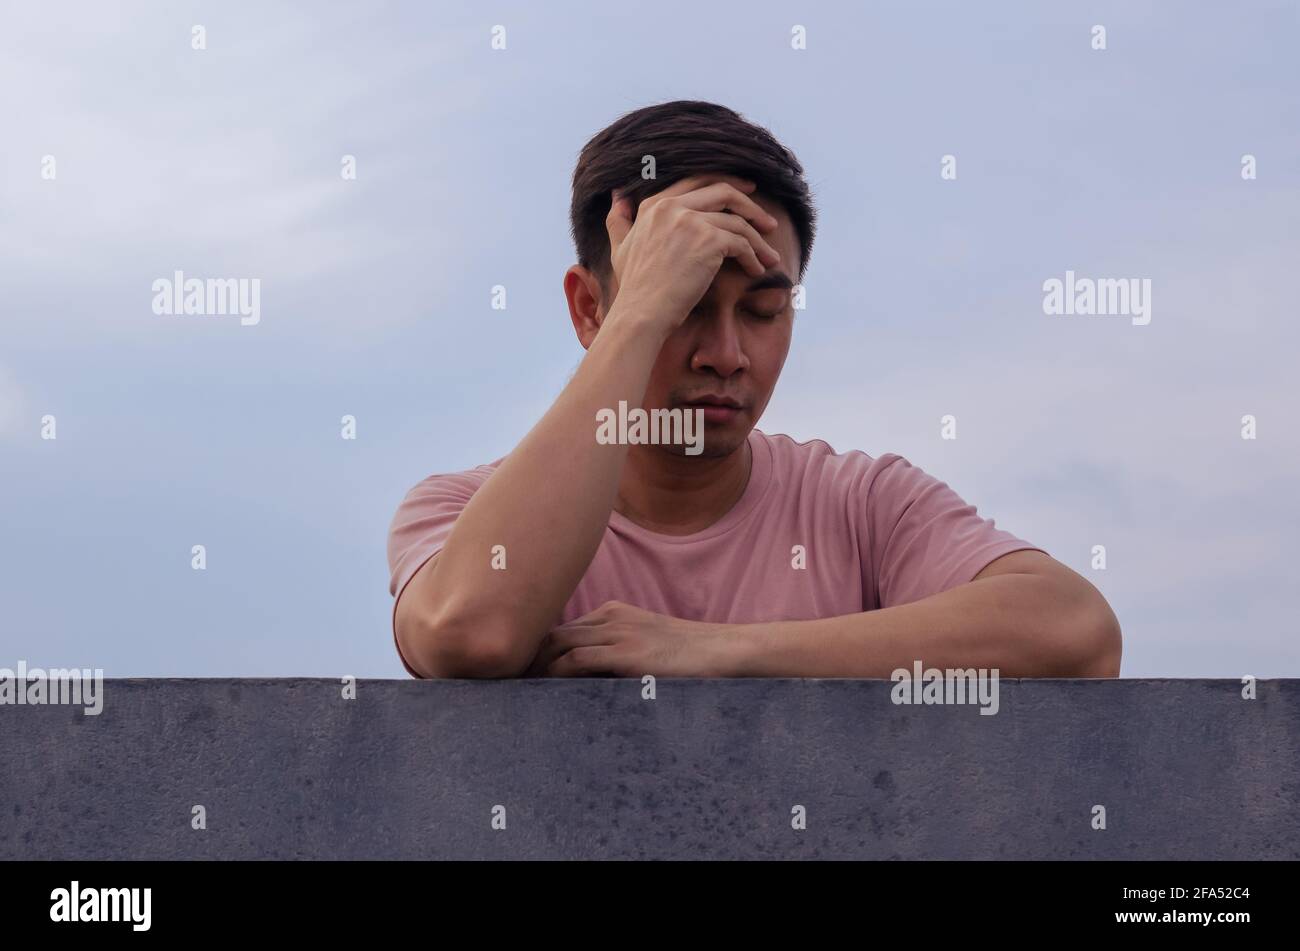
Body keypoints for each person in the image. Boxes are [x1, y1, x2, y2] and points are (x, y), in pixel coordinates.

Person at [387, 100, 1122, 680]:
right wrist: (639, 314)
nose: (728, 354)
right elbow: (471, 631)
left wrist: (715, 651)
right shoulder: (460, 515)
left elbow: (1075, 630)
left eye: (765, 310)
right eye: (686, 305)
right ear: (589, 309)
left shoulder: (858, 507)